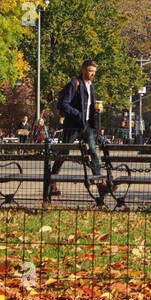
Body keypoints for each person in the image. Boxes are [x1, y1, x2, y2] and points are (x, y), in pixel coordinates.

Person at [49, 60, 109, 201]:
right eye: (90, 71)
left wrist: (96, 110)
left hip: (86, 125)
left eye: (94, 71)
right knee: (63, 153)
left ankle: (100, 184)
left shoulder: (91, 85)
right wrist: (77, 114)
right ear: (83, 70)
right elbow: (63, 104)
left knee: (94, 152)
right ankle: (52, 180)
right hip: (73, 125)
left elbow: (89, 105)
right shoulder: (74, 84)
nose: (92, 74)